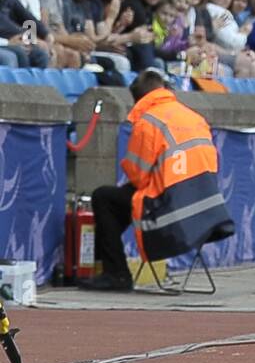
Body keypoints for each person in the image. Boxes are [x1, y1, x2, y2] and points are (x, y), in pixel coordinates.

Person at [81, 68, 223, 291]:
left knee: (104, 197)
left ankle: (116, 273)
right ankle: (111, 268)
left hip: (170, 207)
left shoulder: (148, 121)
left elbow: (138, 174)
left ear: (139, 99)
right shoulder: (194, 117)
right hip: (205, 206)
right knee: (125, 199)